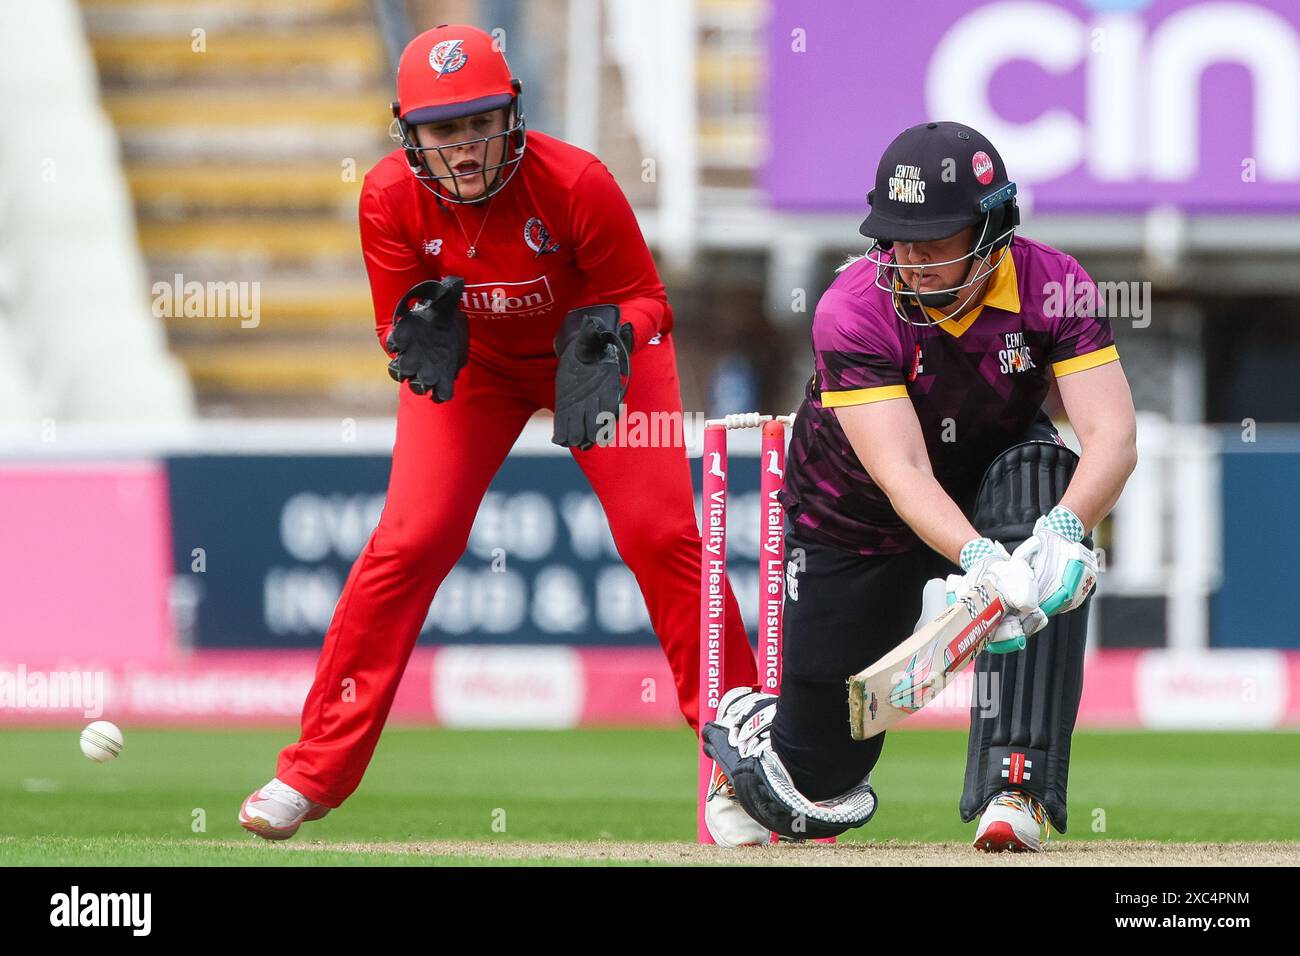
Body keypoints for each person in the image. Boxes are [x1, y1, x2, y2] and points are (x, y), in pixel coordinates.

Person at [239, 24, 757, 839]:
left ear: (511, 113)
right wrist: (415, 329)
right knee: (409, 542)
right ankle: (310, 772)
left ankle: (742, 769)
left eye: (482, 121)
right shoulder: (384, 197)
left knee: (662, 537)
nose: (467, 145)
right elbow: (397, 331)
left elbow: (650, 300)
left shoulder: (577, 180)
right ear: (410, 132)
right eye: (446, 129)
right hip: (475, 372)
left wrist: (610, 335)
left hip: (594, 357)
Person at [701, 121, 1136, 851]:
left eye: (934, 240)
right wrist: (982, 561)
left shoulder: (1054, 285)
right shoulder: (853, 308)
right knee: (816, 789)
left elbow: (1113, 437)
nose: (911, 259)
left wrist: (1062, 530)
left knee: (1042, 478)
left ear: (993, 226)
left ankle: (1015, 789)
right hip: (855, 511)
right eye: (899, 238)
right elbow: (901, 473)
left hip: (997, 483)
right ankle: (761, 738)